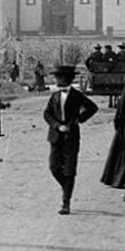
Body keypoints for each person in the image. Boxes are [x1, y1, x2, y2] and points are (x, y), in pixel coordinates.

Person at [43, 64, 98, 215]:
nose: (55, 79)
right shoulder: (54, 96)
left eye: (57, 77)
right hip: (55, 137)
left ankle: (66, 201)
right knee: (54, 167)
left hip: (71, 137)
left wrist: (78, 120)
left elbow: (93, 108)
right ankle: (66, 187)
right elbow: (46, 114)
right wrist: (56, 125)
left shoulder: (77, 95)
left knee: (69, 170)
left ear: (65, 78)